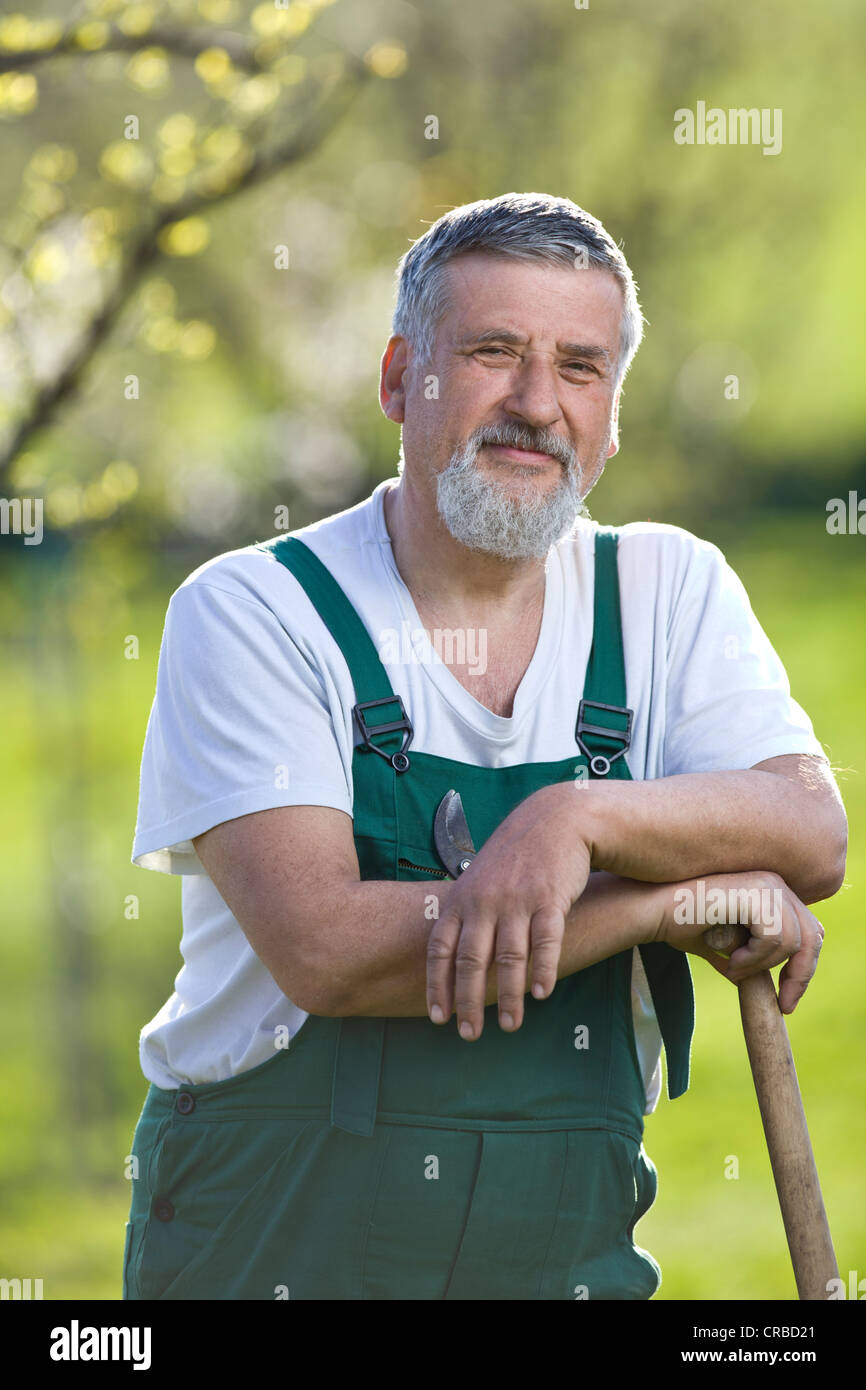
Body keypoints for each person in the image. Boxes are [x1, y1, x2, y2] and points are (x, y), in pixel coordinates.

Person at [123, 192, 846, 1301]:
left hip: (560, 1261)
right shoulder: (256, 612)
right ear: (394, 380)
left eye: (578, 367)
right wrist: (662, 902)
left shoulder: (665, 591)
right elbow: (327, 949)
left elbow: (806, 834)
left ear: (612, 412)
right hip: (271, 1247)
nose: (534, 405)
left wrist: (577, 819)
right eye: (492, 352)